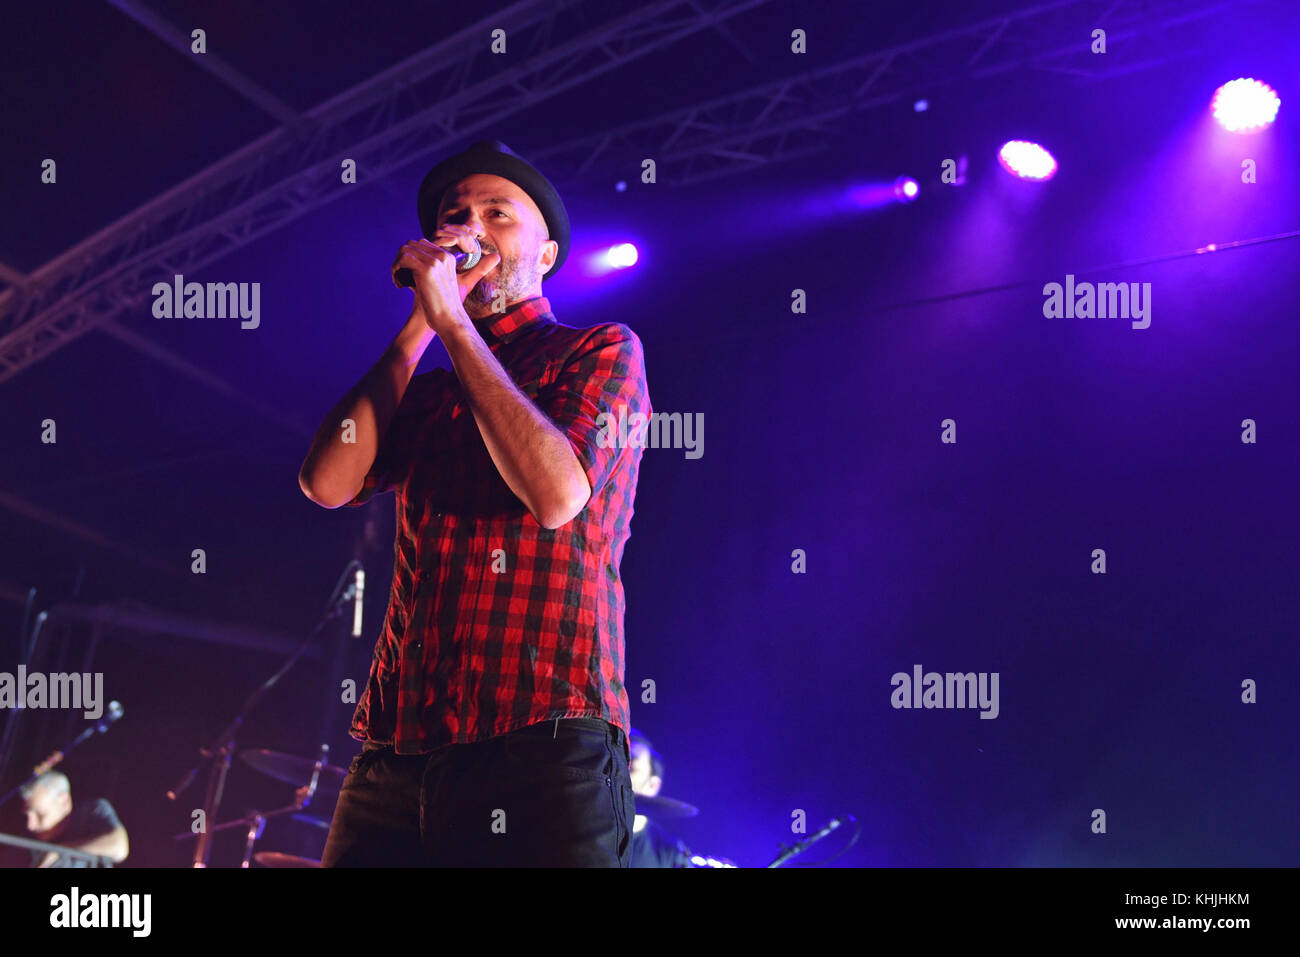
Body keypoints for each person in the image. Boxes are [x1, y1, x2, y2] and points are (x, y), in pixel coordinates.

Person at [300, 140, 652, 867]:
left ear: (546, 254)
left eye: (499, 213)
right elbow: (325, 483)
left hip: (542, 740)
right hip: (399, 749)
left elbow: (556, 495)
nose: (470, 228)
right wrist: (421, 327)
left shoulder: (598, 350)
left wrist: (454, 326)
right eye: (454, 216)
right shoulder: (427, 389)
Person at [8, 771, 128, 867]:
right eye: (27, 815)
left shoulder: (92, 812)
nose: (30, 825)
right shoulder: (25, 838)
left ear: (64, 802)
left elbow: (120, 848)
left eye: (40, 815)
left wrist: (60, 851)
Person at [627, 730, 693, 868]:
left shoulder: (670, 852)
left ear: (652, 785)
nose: (617, 770)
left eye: (630, 765)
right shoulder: (576, 828)